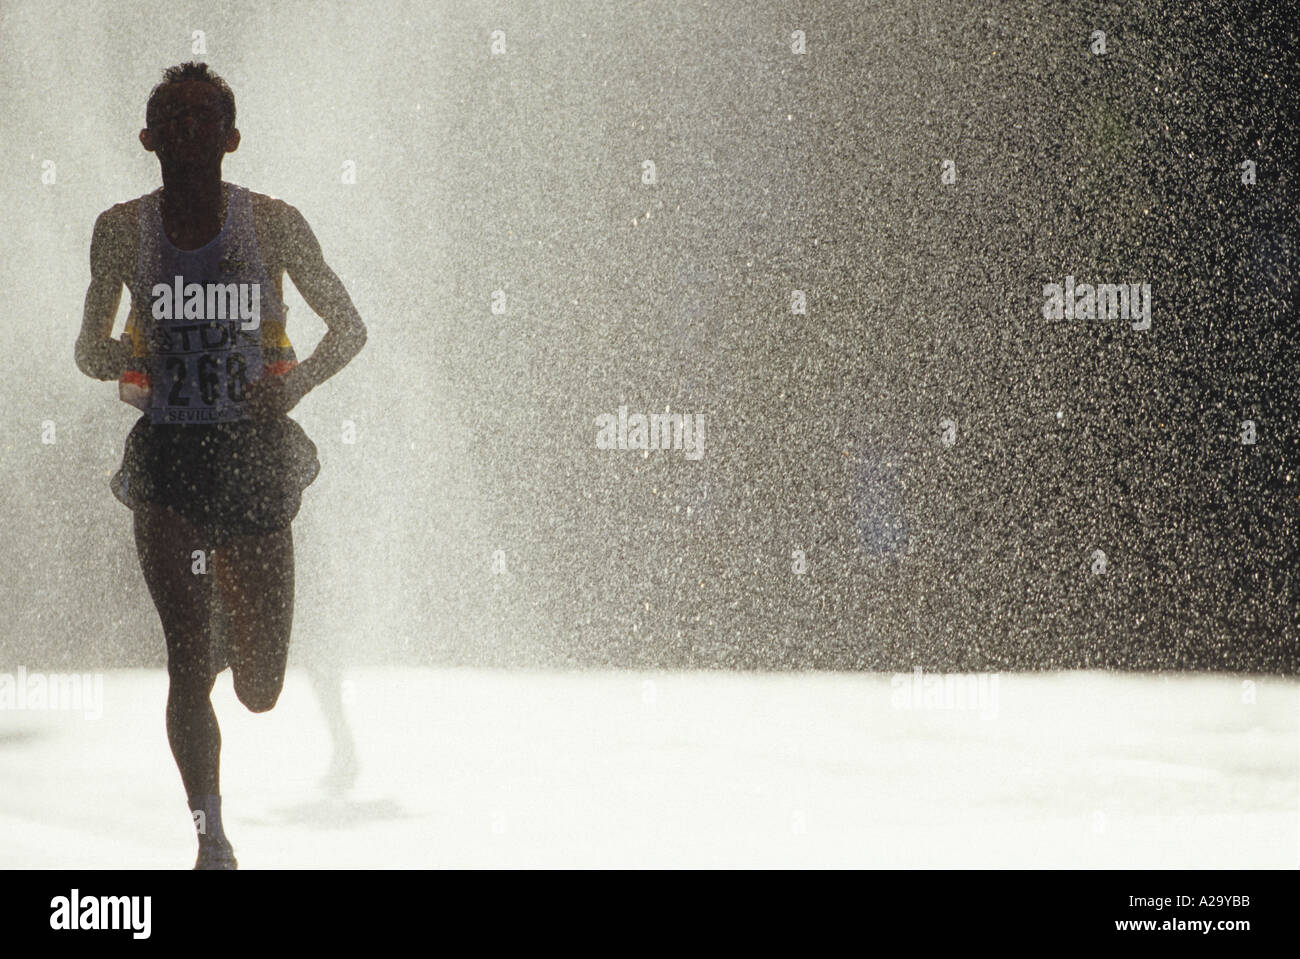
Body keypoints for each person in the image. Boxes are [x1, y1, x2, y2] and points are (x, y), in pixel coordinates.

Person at [74, 62, 367, 869]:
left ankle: (235, 626)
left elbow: (348, 326)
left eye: (207, 117)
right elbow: (88, 344)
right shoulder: (120, 231)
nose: (190, 131)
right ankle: (213, 837)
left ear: (233, 138)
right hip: (169, 455)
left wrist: (293, 385)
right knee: (185, 655)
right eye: (174, 117)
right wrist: (122, 361)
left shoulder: (272, 223)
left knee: (260, 687)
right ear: (149, 139)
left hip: (254, 456)